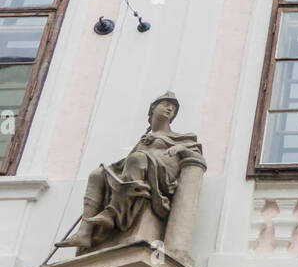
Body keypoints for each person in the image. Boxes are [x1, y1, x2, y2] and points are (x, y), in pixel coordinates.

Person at [60, 93, 205, 252]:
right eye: (165, 104)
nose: (170, 108)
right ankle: (84, 232)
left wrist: (181, 148)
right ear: (152, 110)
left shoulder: (180, 138)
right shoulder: (144, 139)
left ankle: (111, 213)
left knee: (137, 158)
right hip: (139, 167)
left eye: (174, 107)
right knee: (97, 174)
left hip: (160, 174)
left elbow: (196, 155)